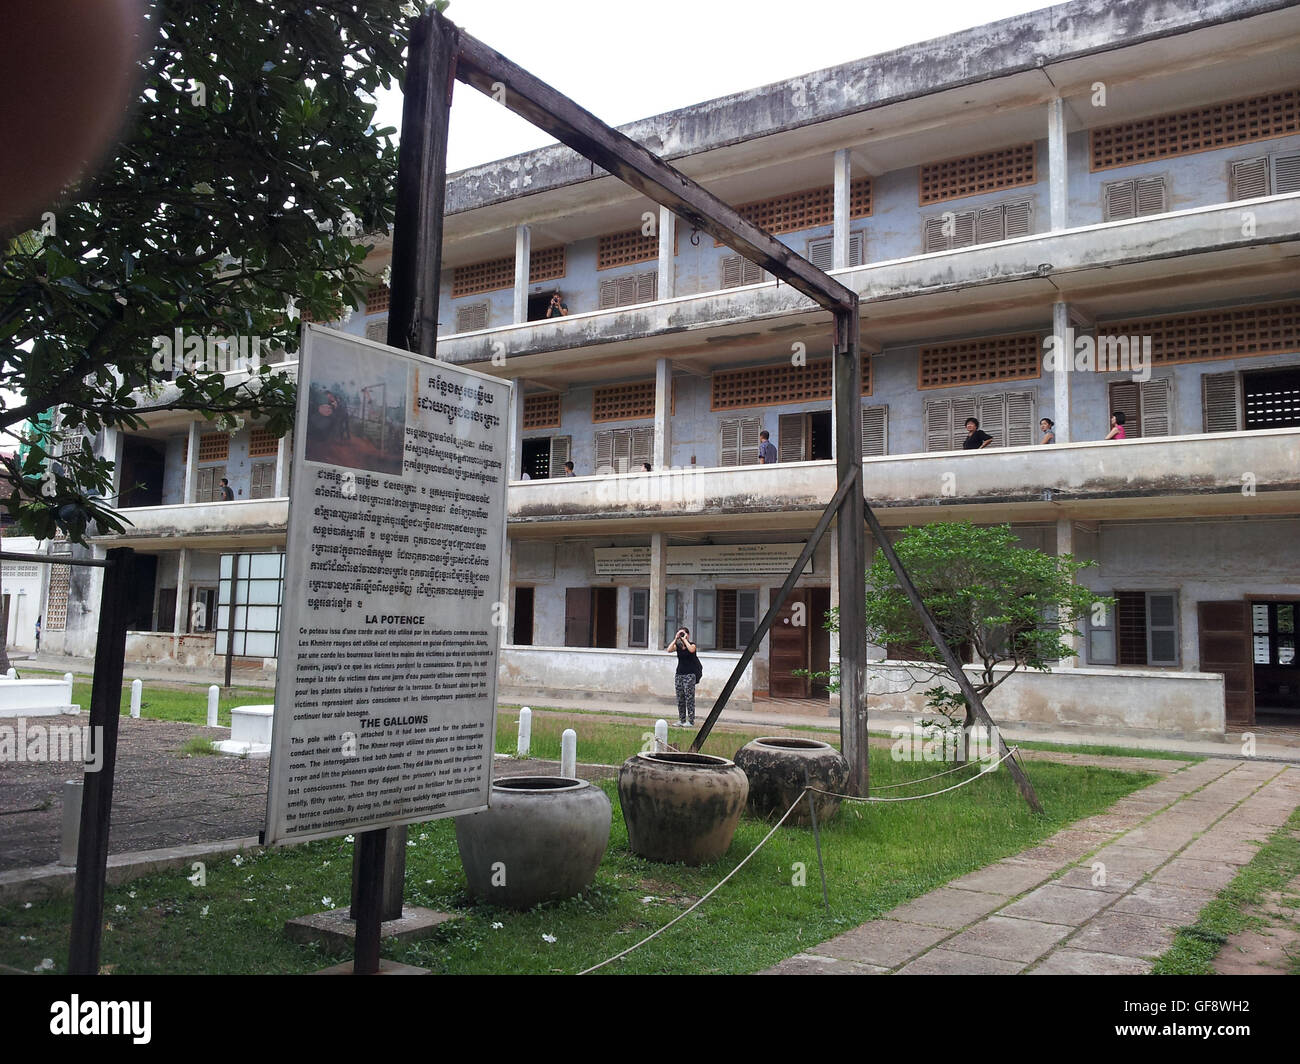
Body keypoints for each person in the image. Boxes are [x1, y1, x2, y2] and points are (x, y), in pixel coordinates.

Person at [665, 625, 703, 726]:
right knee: (680, 698)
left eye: (683, 633)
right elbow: (668, 650)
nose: (681, 635)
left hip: (690, 675)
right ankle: (681, 720)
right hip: (679, 674)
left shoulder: (692, 644)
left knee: (689, 698)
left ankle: (690, 721)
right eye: (680, 633)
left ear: (688, 634)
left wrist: (685, 639)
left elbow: (691, 650)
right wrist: (676, 638)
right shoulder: (677, 646)